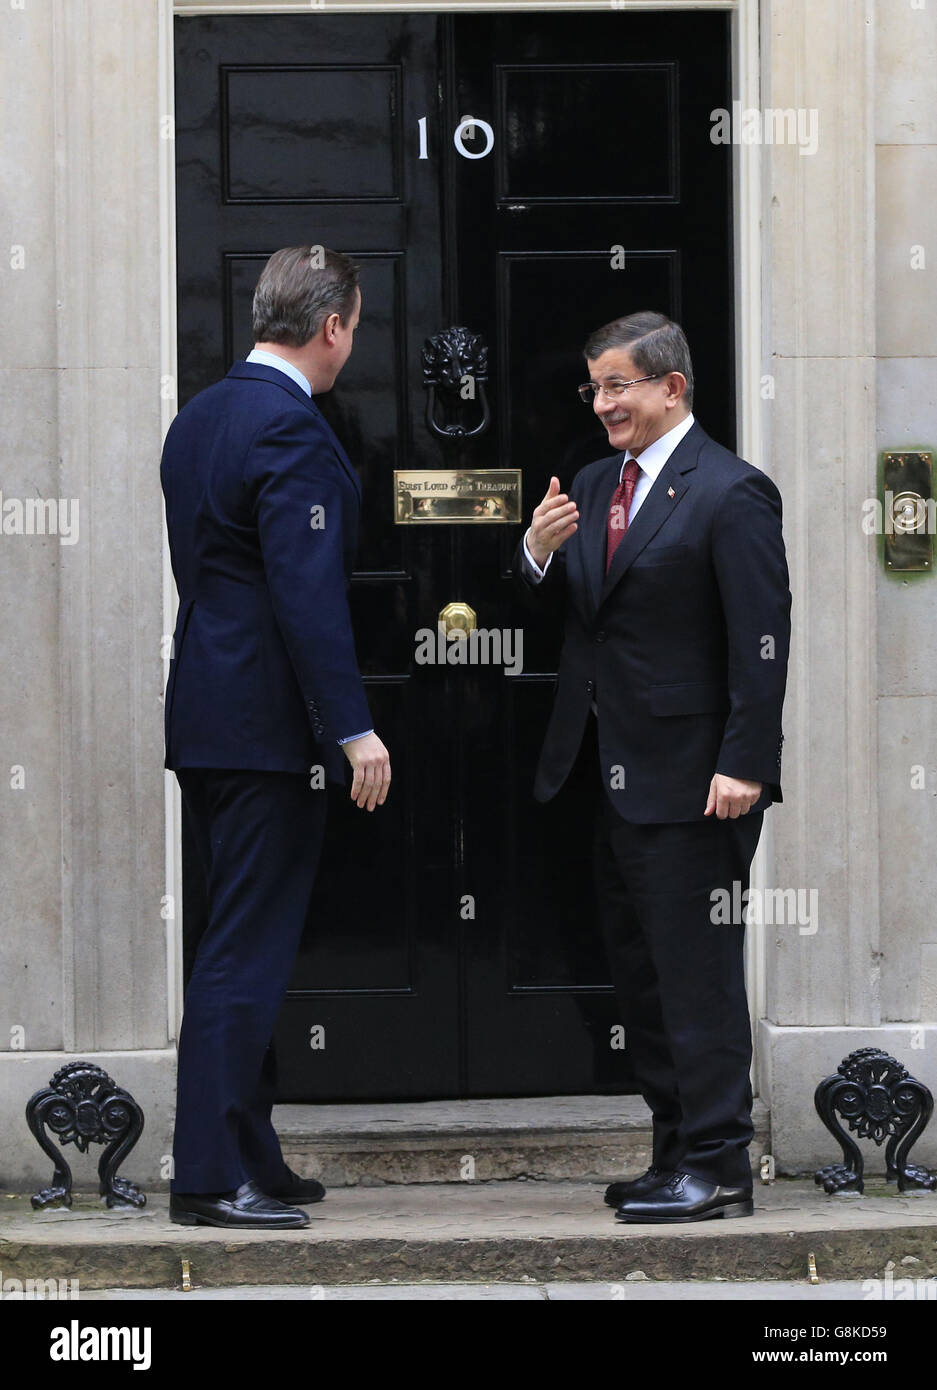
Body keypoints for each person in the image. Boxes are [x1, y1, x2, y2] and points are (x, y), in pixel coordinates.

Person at [515, 311, 790, 1223]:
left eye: (617, 384)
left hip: (693, 781)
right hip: (604, 774)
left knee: (696, 975)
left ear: (671, 386)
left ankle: (718, 1166)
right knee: (640, 975)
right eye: (594, 387)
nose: (601, 403)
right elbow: (585, 614)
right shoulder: (594, 484)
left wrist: (744, 762)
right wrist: (536, 553)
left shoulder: (731, 491)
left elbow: (762, 641)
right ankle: (672, 1145)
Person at [161, 246, 391, 1229]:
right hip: (266, 728)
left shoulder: (199, 418)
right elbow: (305, 595)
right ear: (331, 324)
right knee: (242, 956)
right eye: (354, 325)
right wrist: (354, 730)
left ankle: (252, 1150)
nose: (353, 340)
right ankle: (211, 1178)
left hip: (208, 714)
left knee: (230, 944)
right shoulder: (289, 428)